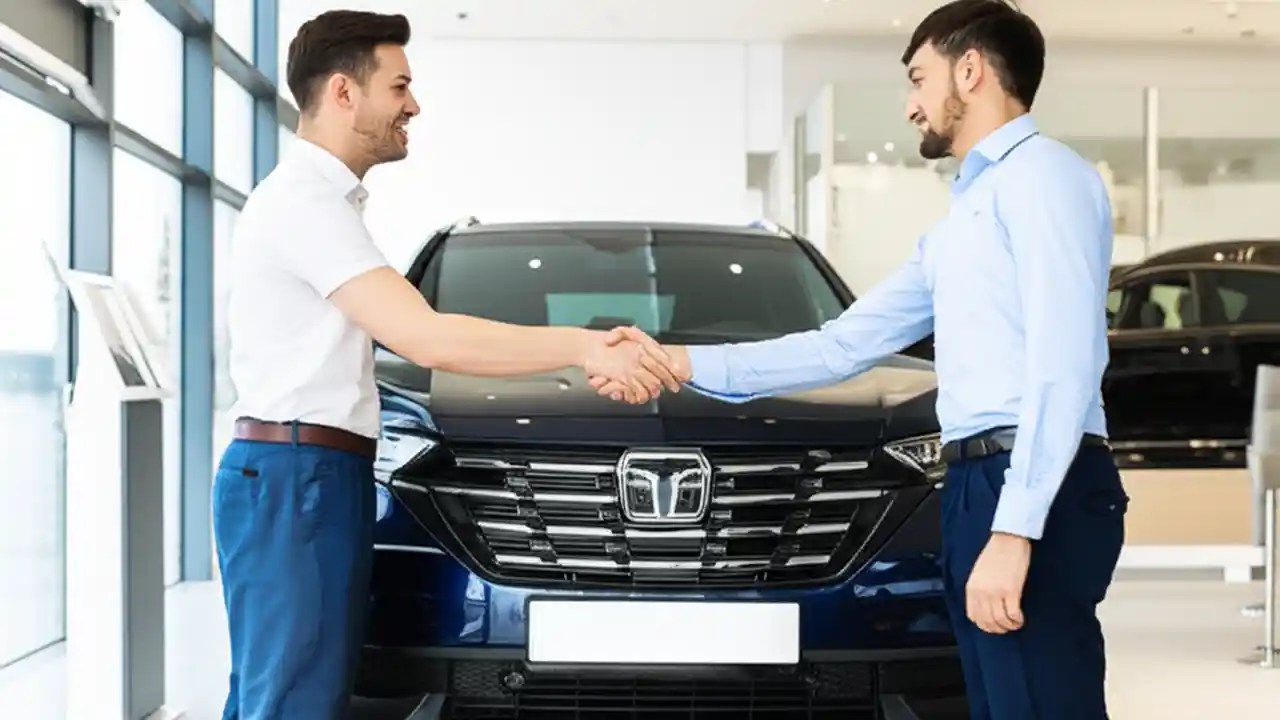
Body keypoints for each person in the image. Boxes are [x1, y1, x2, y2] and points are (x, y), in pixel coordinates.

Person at [596, 1, 1127, 718]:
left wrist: (1015, 528)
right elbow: (840, 346)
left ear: (969, 70)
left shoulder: (1044, 179)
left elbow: (1066, 363)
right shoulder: (961, 221)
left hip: (1033, 480)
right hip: (974, 478)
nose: (911, 106)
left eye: (918, 78)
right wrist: (681, 362)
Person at [216, 10, 680, 719]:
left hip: (308, 473)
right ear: (344, 93)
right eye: (399, 86)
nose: (413, 104)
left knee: (280, 693)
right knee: (293, 701)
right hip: (297, 477)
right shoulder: (305, 204)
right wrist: (584, 346)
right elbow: (427, 338)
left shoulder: (317, 202)